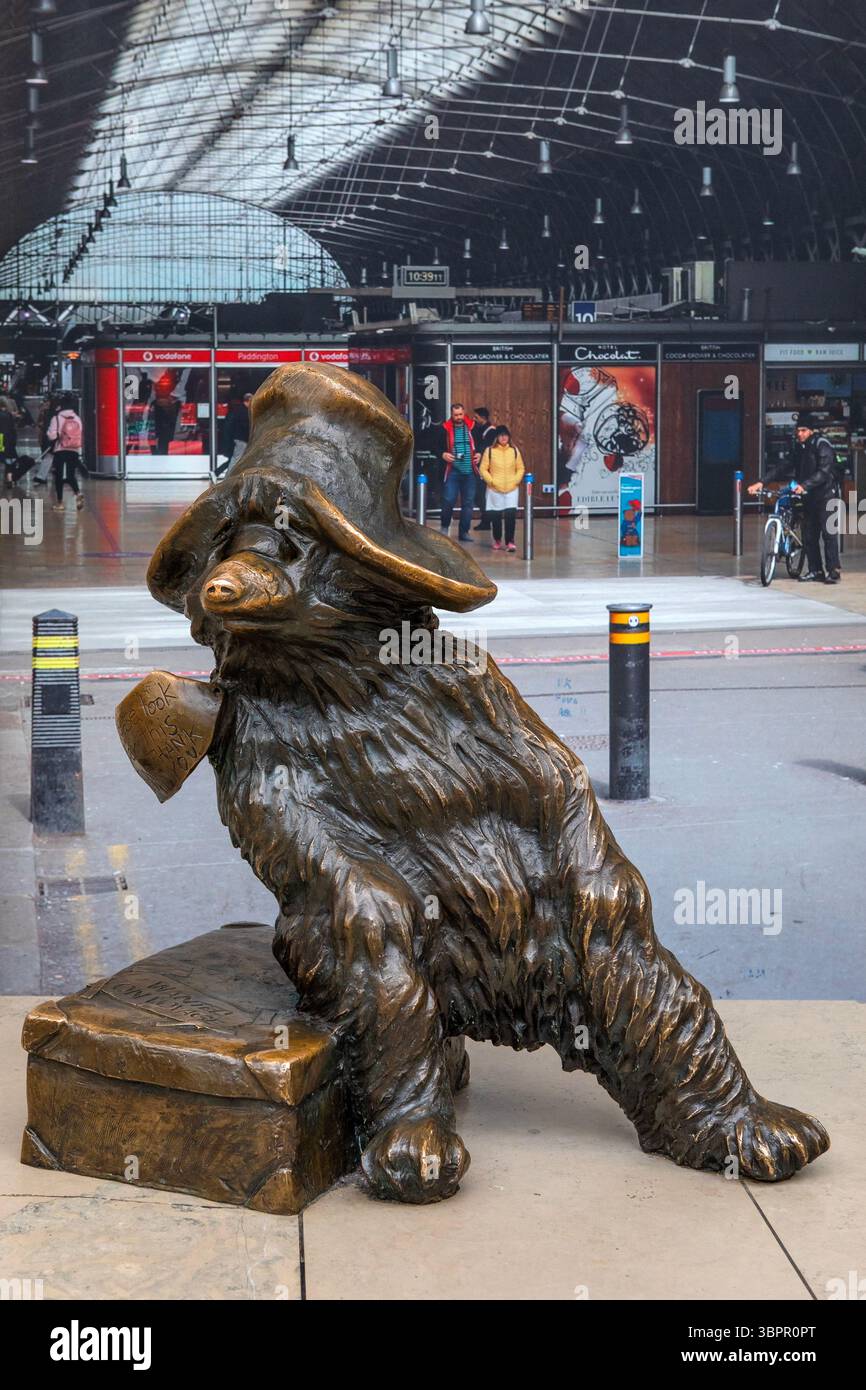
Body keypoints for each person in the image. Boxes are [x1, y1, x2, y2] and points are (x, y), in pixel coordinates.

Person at [479, 424, 525, 552]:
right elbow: (483, 468)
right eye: (501, 435)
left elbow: (520, 468)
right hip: (494, 489)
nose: (503, 438)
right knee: (496, 516)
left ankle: (510, 541)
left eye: (505, 435)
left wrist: (515, 480)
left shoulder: (514, 451)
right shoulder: (489, 451)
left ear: (509, 437)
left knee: (511, 516)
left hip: (511, 488)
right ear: (497, 437)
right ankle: (497, 539)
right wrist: (491, 481)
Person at [439, 402, 479, 543]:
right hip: (453, 472)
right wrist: (442, 454)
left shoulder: (473, 427)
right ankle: (444, 527)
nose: (458, 417)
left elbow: (482, 442)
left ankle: (464, 532)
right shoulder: (444, 429)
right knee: (448, 500)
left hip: (469, 472)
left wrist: (479, 453)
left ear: (464, 413)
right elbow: (433, 445)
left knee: (468, 504)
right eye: (456, 415)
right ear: (452, 415)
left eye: (460, 414)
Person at [47, 393, 84, 512]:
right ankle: (78, 494)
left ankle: (60, 503)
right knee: (70, 475)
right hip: (74, 449)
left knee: (58, 476)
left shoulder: (57, 418)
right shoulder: (77, 418)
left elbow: (51, 436)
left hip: (60, 449)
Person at [471, 406, 497, 531]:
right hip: (477, 466)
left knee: (481, 494)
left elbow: (486, 447)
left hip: (486, 468)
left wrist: (480, 454)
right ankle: (486, 519)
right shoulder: (477, 429)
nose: (474, 419)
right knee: (478, 494)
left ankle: (487, 520)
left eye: (476, 417)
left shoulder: (491, 431)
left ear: (483, 418)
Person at [218, 391, 252, 476]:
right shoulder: (243, 412)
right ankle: (227, 476)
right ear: (248, 401)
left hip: (241, 439)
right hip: (241, 439)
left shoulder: (240, 410)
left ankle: (220, 473)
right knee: (236, 458)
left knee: (238, 458)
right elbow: (244, 426)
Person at [0, 395, 19, 487]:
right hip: (7, 439)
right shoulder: (9, 415)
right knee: (9, 460)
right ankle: (9, 480)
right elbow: (12, 429)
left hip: (1, 438)